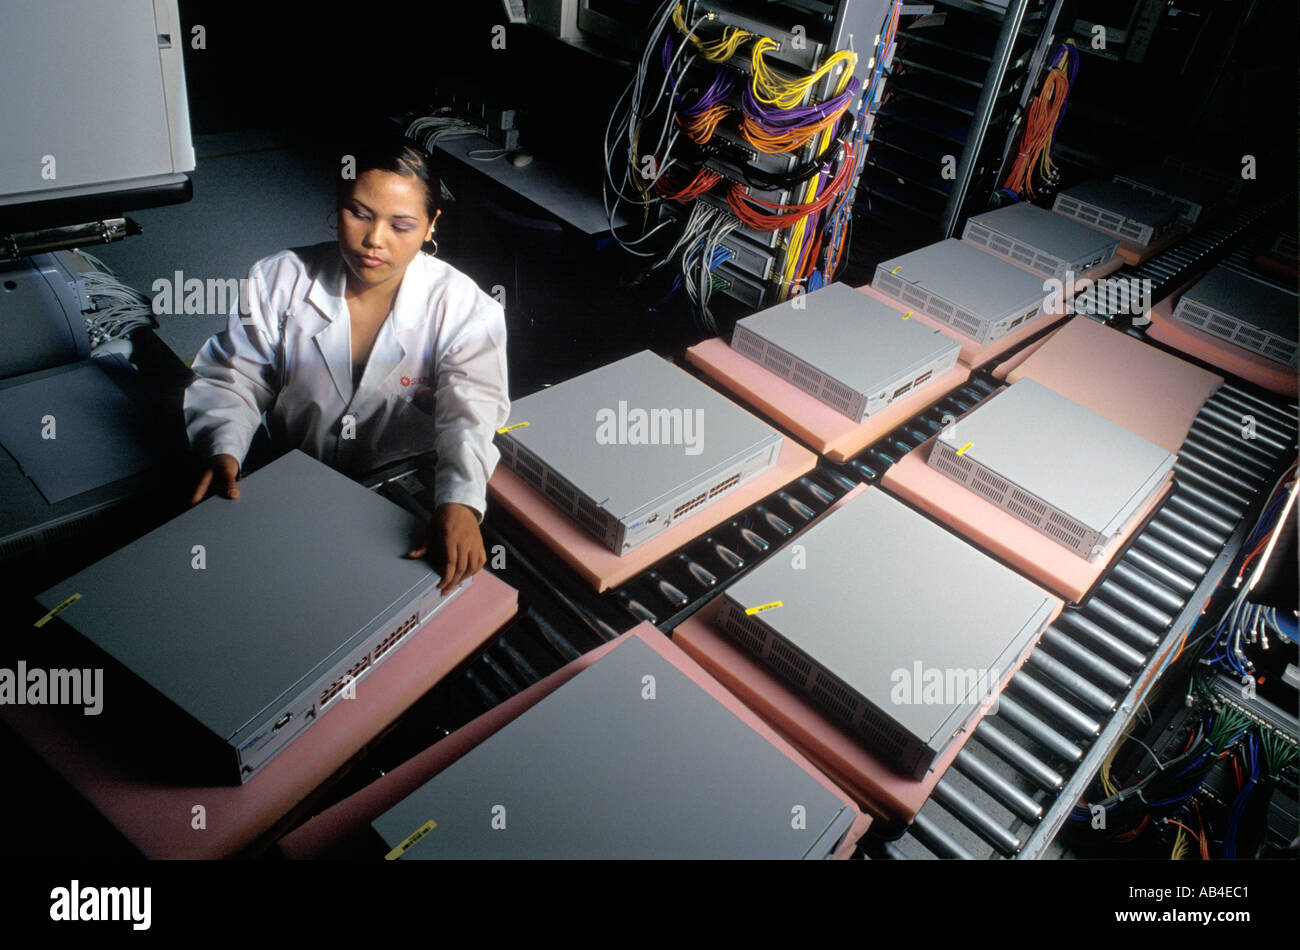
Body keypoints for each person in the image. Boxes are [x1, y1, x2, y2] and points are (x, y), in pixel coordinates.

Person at [183, 139, 509, 594]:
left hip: (398, 489)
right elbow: (235, 376)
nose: (375, 240)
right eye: (359, 213)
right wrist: (223, 447)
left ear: (432, 225)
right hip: (290, 472)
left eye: (402, 225)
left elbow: (468, 415)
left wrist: (460, 502)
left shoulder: (466, 310)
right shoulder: (279, 279)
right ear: (337, 208)